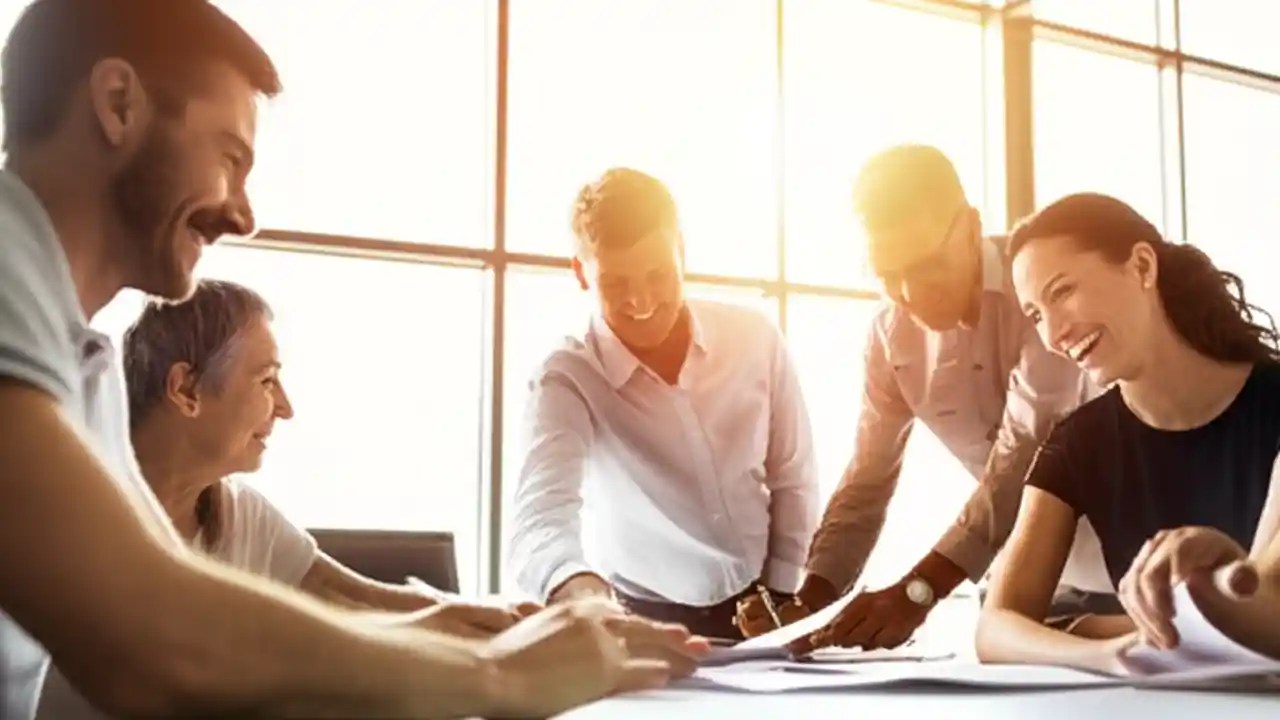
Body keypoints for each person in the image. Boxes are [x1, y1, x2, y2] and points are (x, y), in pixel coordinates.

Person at [0, 2, 697, 718]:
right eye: (230, 159)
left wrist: (464, 634)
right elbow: (150, 643)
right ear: (118, 105)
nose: (243, 213)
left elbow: (158, 594)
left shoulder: (83, 362)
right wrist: (494, 675)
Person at [737, 144, 1105, 652]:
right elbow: (868, 480)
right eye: (889, 275)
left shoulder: (1038, 290)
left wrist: (920, 590)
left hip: (1139, 566)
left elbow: (1024, 453)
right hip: (1034, 588)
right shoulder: (890, 339)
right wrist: (810, 604)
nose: (910, 293)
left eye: (927, 264)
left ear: (971, 229)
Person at [507, 167, 820, 640]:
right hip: (637, 621)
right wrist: (581, 591)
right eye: (616, 284)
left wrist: (782, 591)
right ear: (580, 273)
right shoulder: (565, 377)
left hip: (771, 608)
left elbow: (794, 478)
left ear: (683, 253)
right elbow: (538, 521)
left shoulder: (755, 339)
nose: (641, 301)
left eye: (659, 275)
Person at [975, 192, 1280, 675]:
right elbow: (995, 627)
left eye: (1062, 292)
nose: (1053, 334)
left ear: (1141, 266)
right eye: (1034, 315)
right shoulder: (1076, 444)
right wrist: (1107, 653)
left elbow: (1267, 604)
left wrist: (1099, 626)